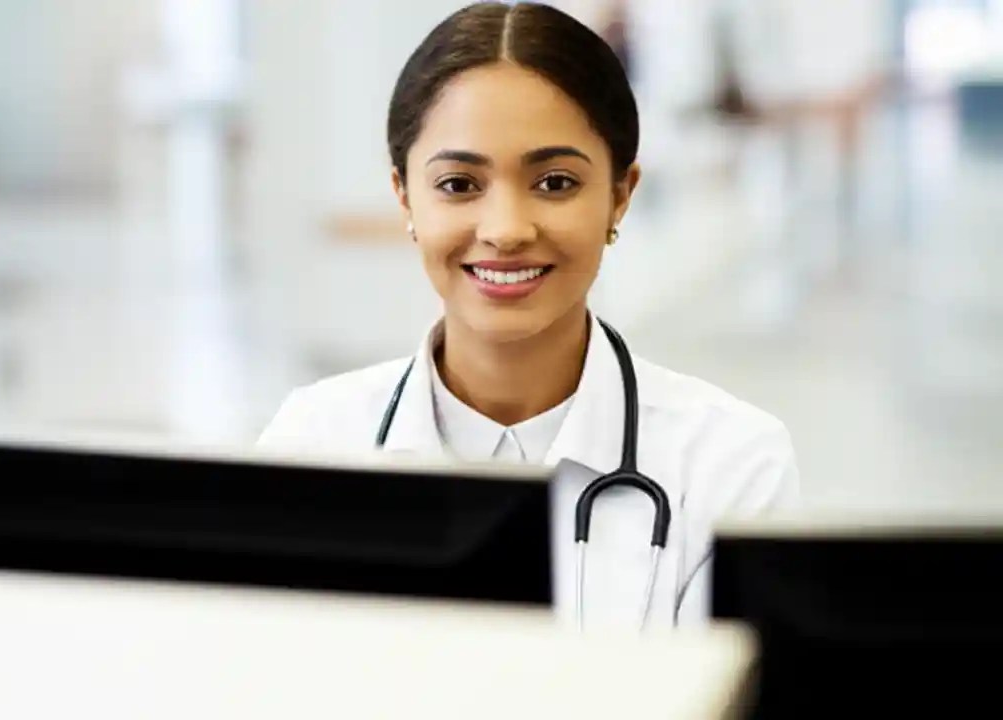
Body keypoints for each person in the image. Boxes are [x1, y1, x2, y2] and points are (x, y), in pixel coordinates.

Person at [256, 1, 799, 628]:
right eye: (460, 184)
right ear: (404, 195)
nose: (507, 230)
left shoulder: (730, 464)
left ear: (620, 195)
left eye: (555, 182)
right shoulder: (312, 447)